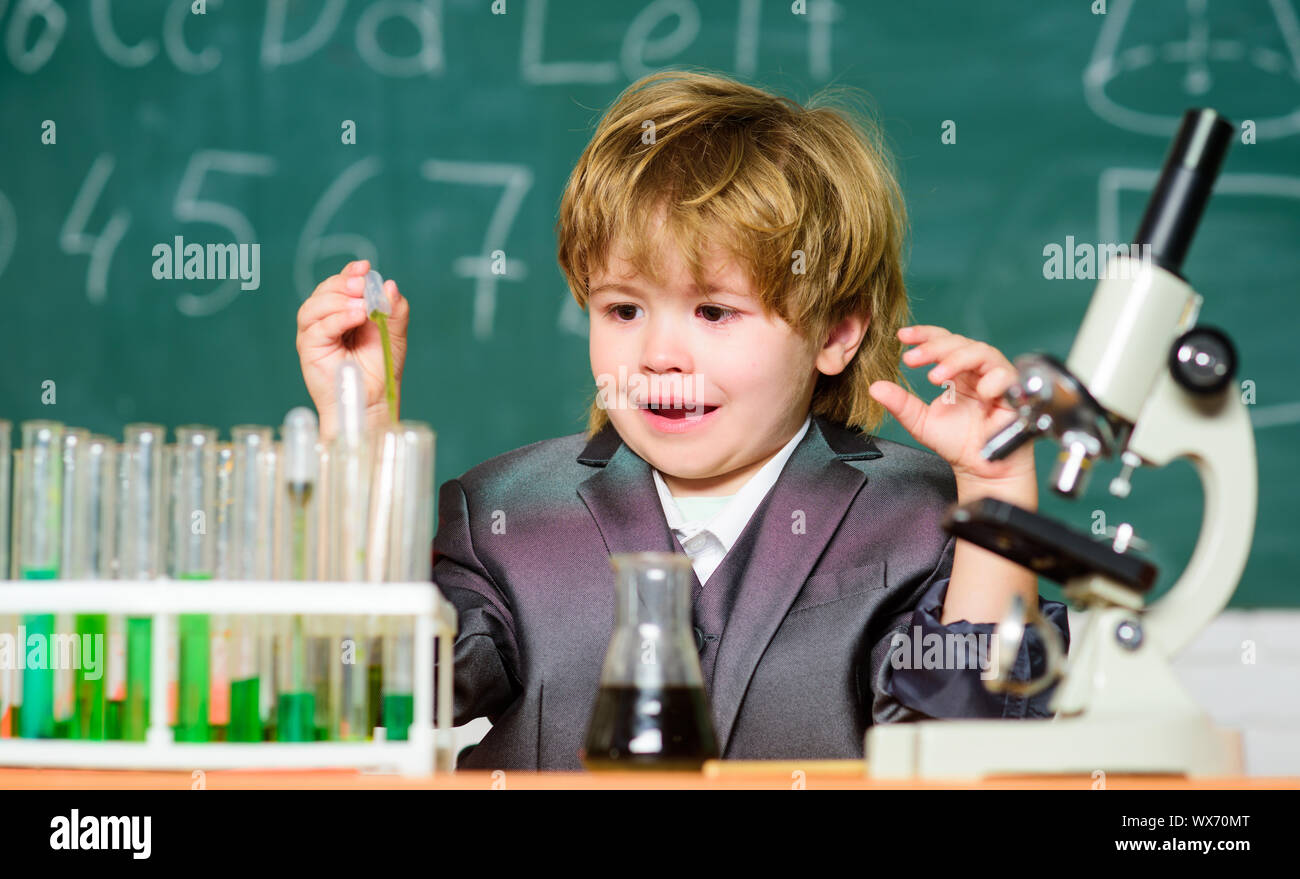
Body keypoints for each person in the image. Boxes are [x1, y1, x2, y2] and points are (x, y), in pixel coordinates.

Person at [295, 70, 1069, 770]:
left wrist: (995, 497)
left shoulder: (933, 519)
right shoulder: (505, 513)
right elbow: (364, 701)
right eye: (623, 308)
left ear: (835, 332)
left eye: (715, 311)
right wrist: (357, 440)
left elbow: (969, 743)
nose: (660, 354)